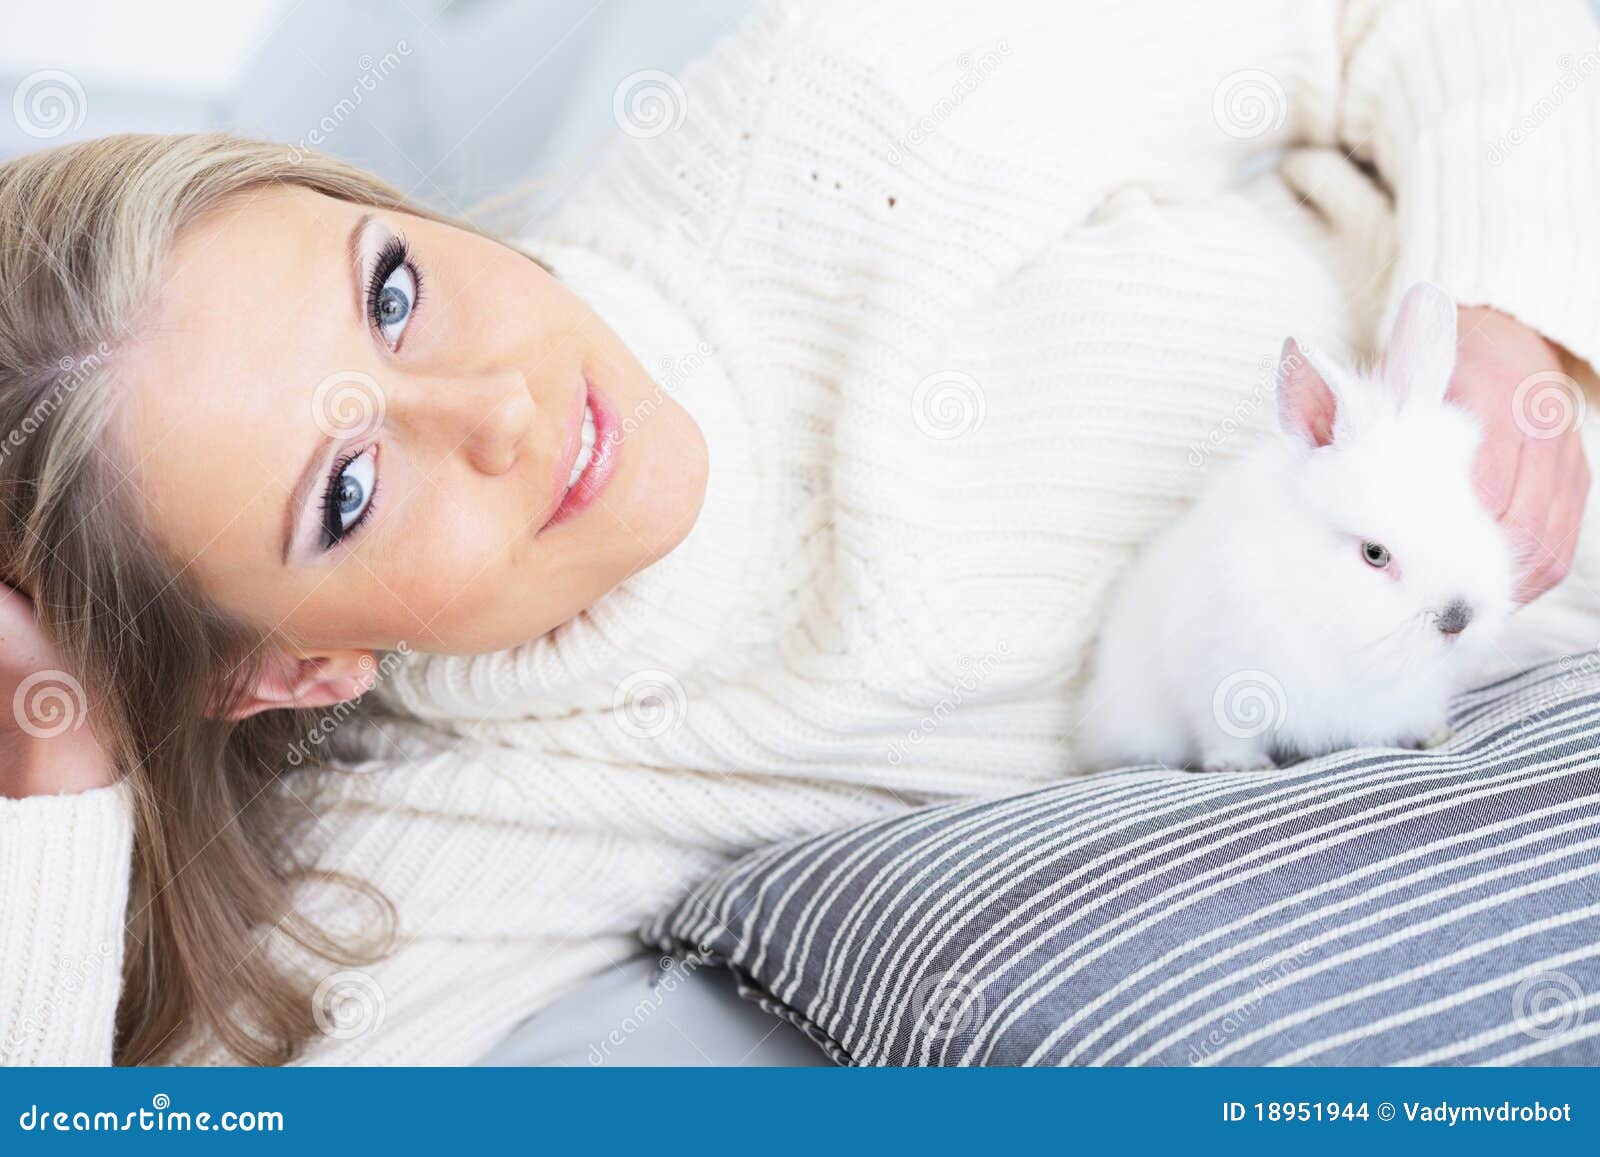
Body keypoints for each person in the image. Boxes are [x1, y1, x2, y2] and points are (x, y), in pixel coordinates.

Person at [2, 0, 1597, 1066]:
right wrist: (49, 756)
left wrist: (1524, 319)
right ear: (291, 667)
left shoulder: (817, 121)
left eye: (392, 289)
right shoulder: (453, 840)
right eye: (345, 493)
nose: (495, 410)